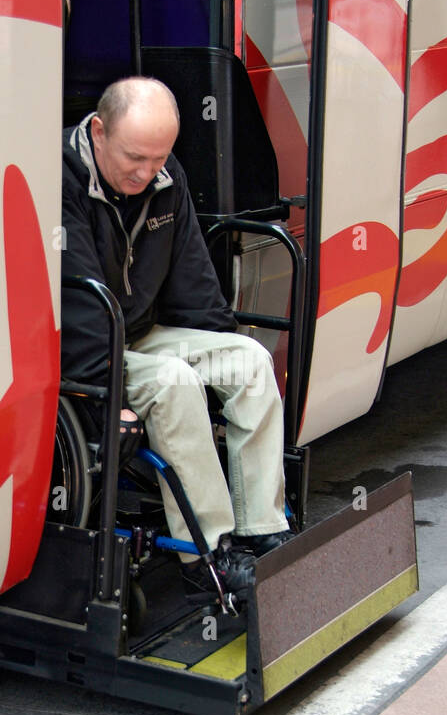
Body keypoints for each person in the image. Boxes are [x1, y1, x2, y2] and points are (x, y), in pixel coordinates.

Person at [60, 76, 291, 597]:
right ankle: (207, 552)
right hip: (81, 351)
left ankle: (262, 529)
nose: (147, 173)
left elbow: (192, 274)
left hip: (138, 332)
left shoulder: (167, 176)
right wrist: (110, 398)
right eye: (134, 158)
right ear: (98, 131)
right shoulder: (60, 179)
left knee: (247, 361)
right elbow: (77, 307)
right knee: (173, 381)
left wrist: (217, 346)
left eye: (158, 159)